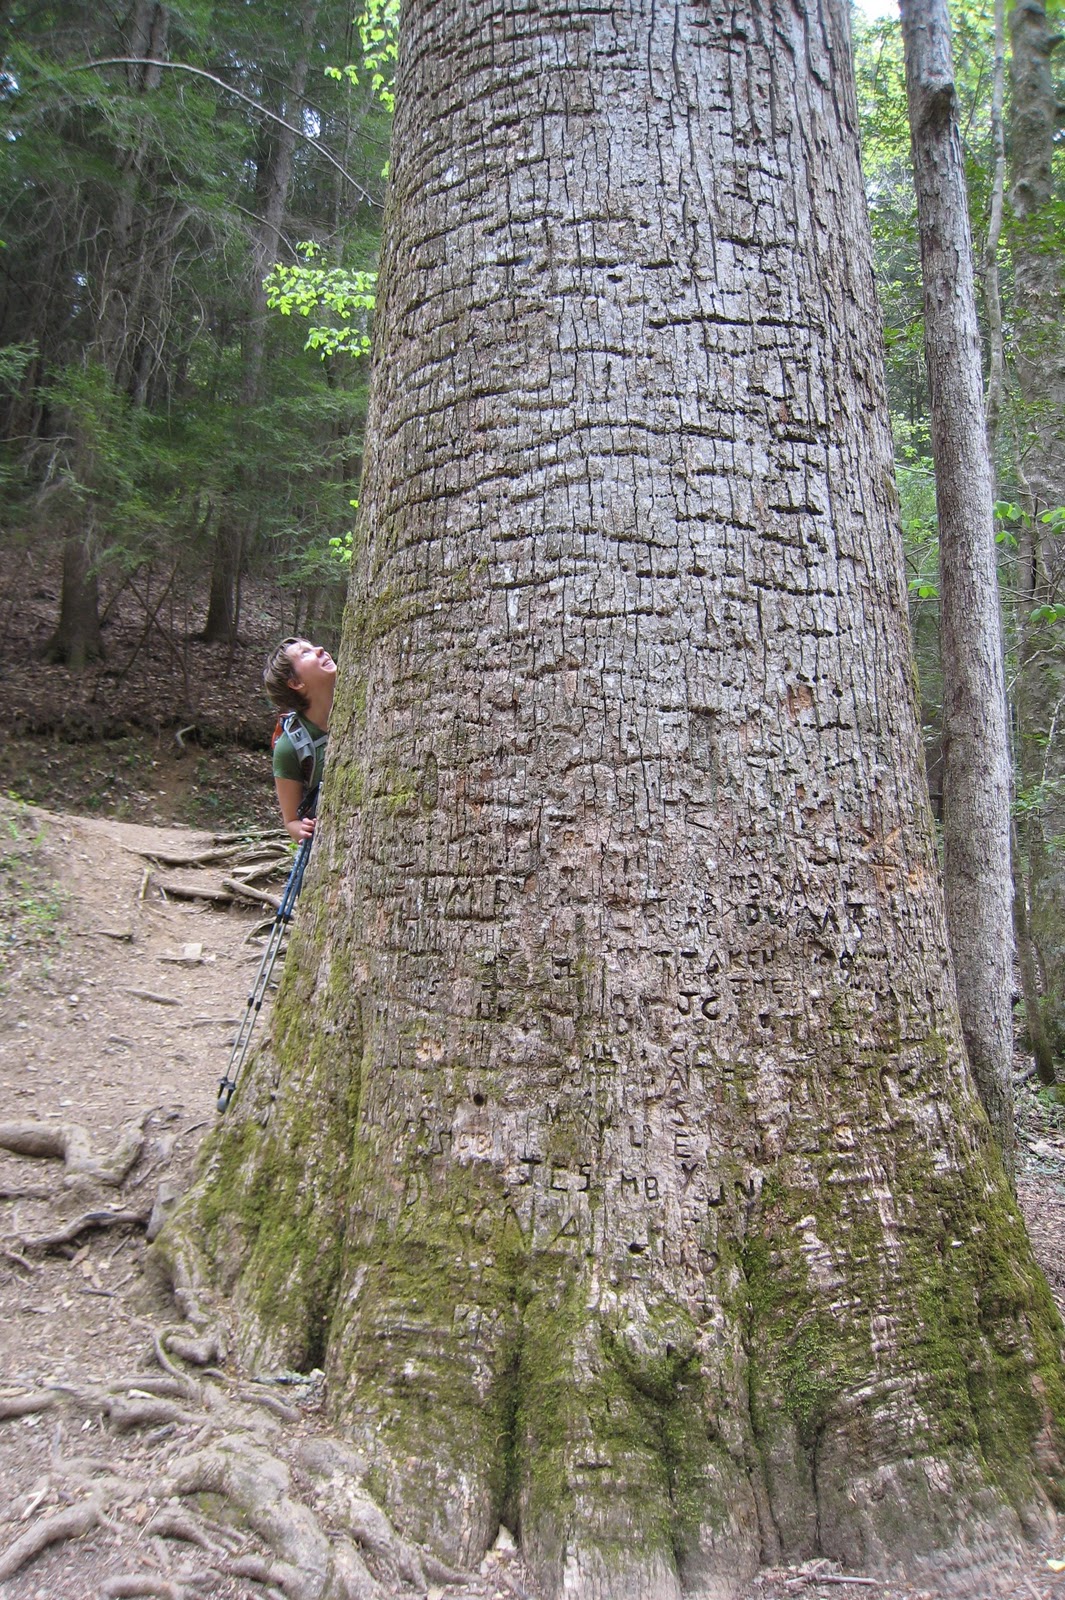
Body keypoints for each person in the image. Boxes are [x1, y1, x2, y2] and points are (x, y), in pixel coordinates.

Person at [263, 637, 336, 842]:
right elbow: (291, 821)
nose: (321, 649)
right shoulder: (289, 747)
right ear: (295, 683)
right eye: (306, 653)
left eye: (313, 646)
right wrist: (301, 828)